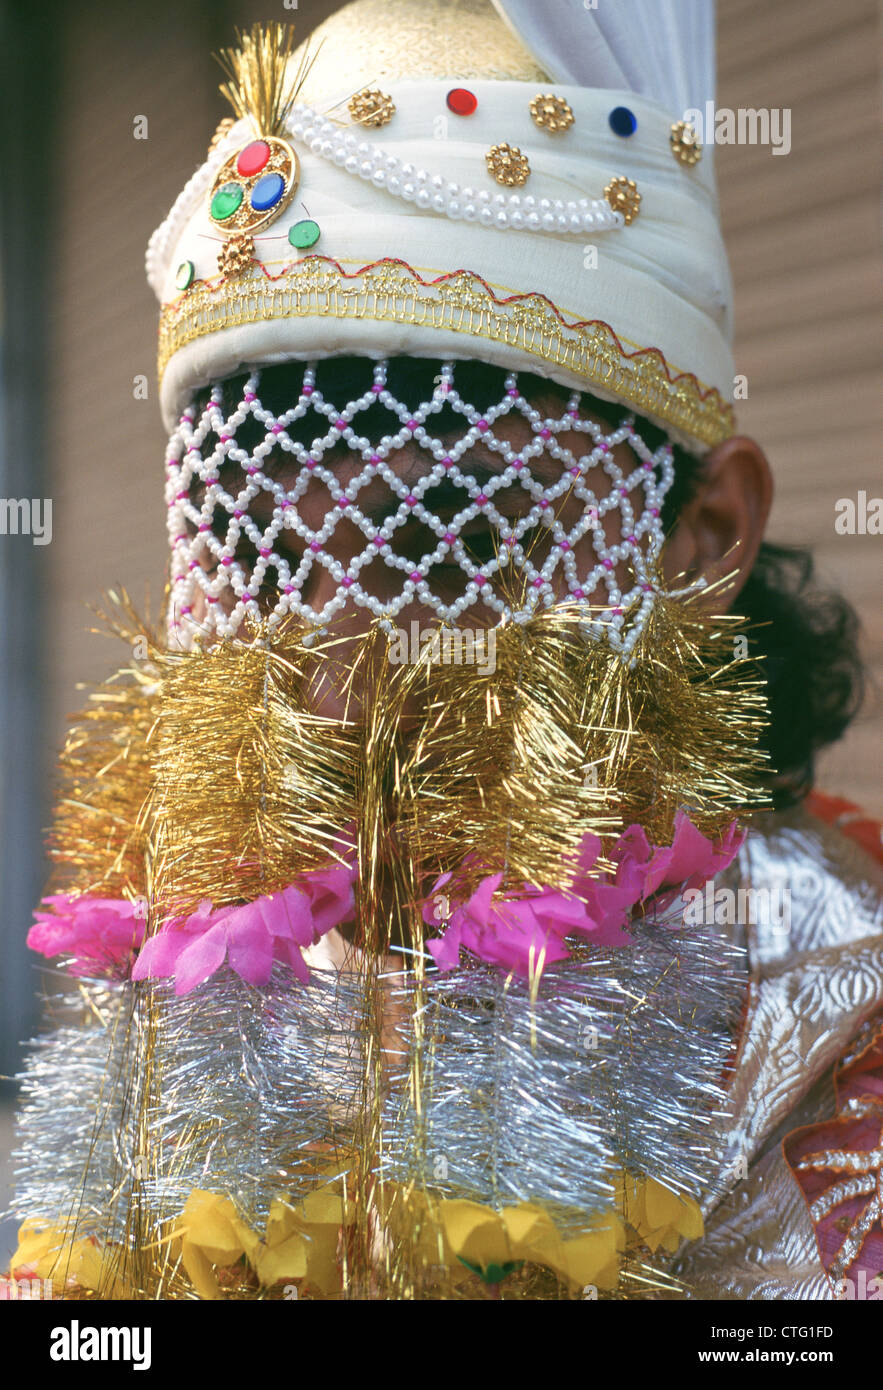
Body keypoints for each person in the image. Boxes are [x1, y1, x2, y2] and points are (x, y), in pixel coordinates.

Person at [7, 0, 882, 1301]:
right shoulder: (207, 964)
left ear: (698, 538)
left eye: (445, 543)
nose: (333, 674)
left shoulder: (827, 1006)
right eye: (269, 559)